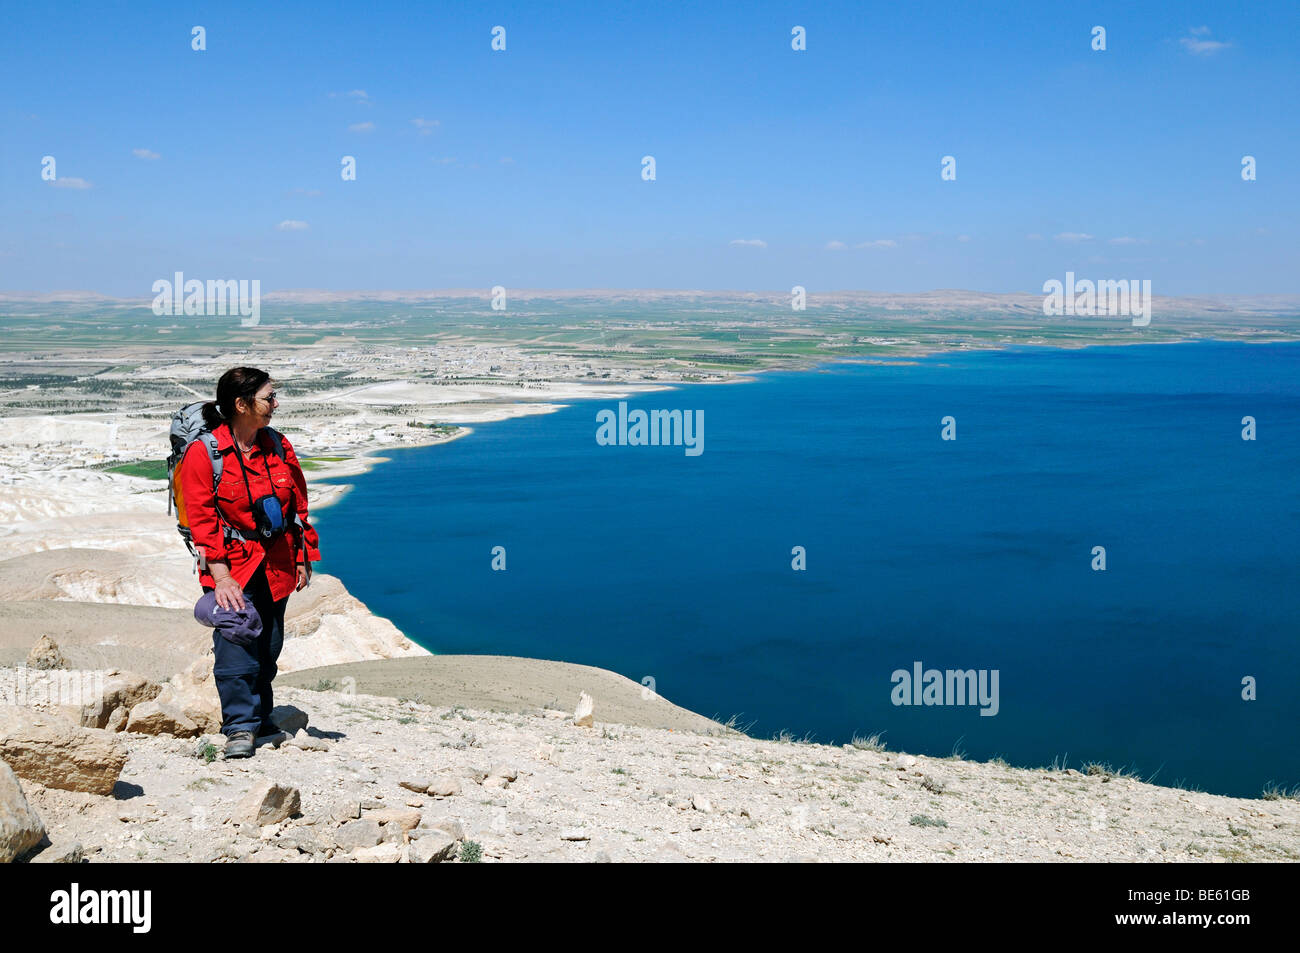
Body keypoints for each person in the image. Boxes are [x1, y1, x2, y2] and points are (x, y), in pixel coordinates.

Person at [177, 367, 320, 758]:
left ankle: (262, 717)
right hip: (233, 566)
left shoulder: (277, 444)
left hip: (277, 562)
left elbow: (297, 505)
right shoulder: (204, 454)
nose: (275, 404)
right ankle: (239, 726)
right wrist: (221, 578)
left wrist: (305, 555)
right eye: (268, 398)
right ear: (241, 404)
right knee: (237, 639)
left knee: (269, 643)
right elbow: (203, 522)